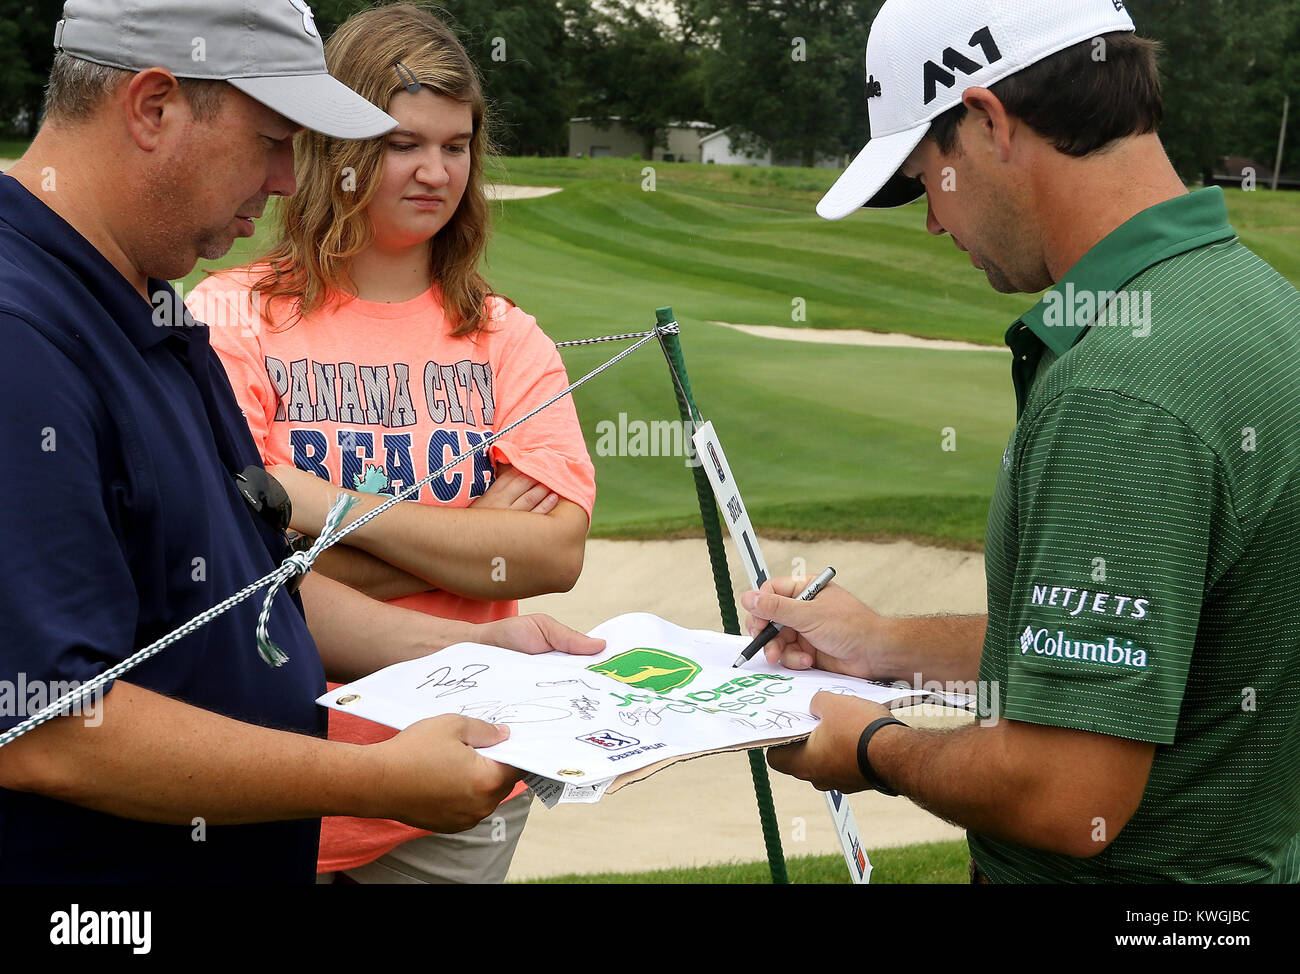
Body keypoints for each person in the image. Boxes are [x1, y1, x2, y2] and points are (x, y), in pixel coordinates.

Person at [0, 0, 601, 883]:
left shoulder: (148, 311)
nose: (290, 178)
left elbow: (253, 587)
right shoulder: (22, 336)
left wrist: (471, 648)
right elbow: (46, 730)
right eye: (272, 139)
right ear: (154, 107)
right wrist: (374, 776)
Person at [749, 0, 1300, 883]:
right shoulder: (1262, 305)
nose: (932, 219)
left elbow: (1064, 795)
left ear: (988, 122)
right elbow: (1143, 659)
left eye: (926, 176)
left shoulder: (1121, 390)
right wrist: (886, 643)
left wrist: (870, 747)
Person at [186, 3, 595, 884]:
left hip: (455, 785)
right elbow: (226, 577)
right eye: (405, 143)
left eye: (457, 145)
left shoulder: (505, 339)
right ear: (341, 148)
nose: (436, 171)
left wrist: (319, 515)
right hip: (266, 766)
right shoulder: (232, 318)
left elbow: (553, 550)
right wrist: (464, 538)